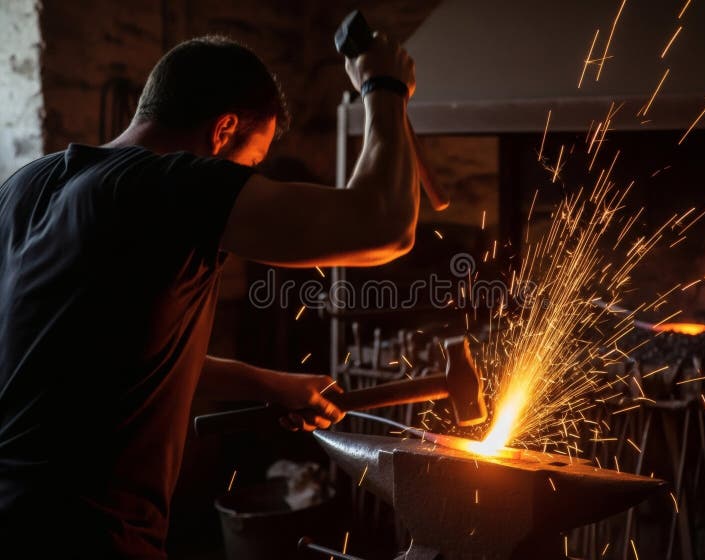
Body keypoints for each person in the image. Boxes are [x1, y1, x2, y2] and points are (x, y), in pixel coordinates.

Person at [0, 33, 418, 558]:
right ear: (222, 131)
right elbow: (384, 225)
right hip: (83, 538)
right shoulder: (166, 185)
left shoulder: (24, 187)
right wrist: (383, 86)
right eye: (250, 163)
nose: (245, 180)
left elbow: (104, 359)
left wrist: (271, 384)